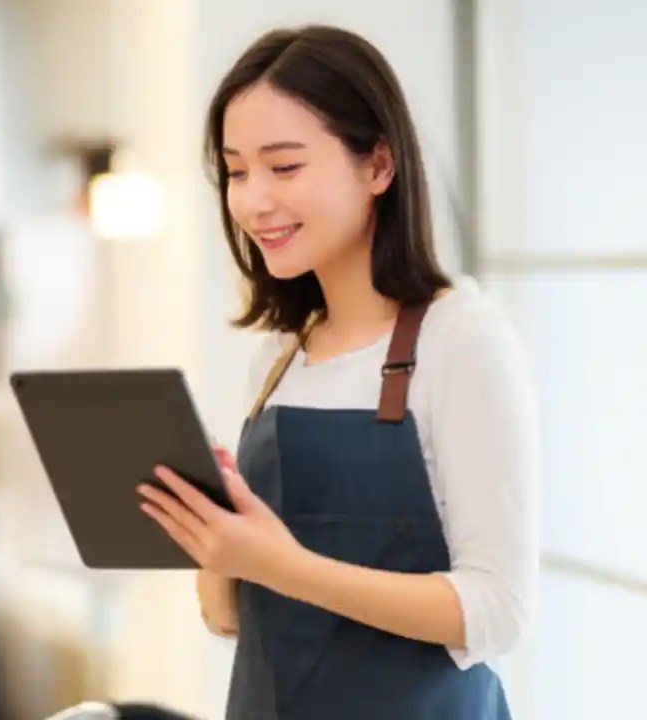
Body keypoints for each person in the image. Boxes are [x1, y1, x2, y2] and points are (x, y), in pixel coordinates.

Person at [136, 25, 538, 719]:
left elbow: (496, 611)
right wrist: (214, 541)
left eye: (284, 167)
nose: (253, 200)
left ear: (378, 166)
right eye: (235, 171)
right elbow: (228, 619)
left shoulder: (461, 339)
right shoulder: (281, 359)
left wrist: (279, 564)